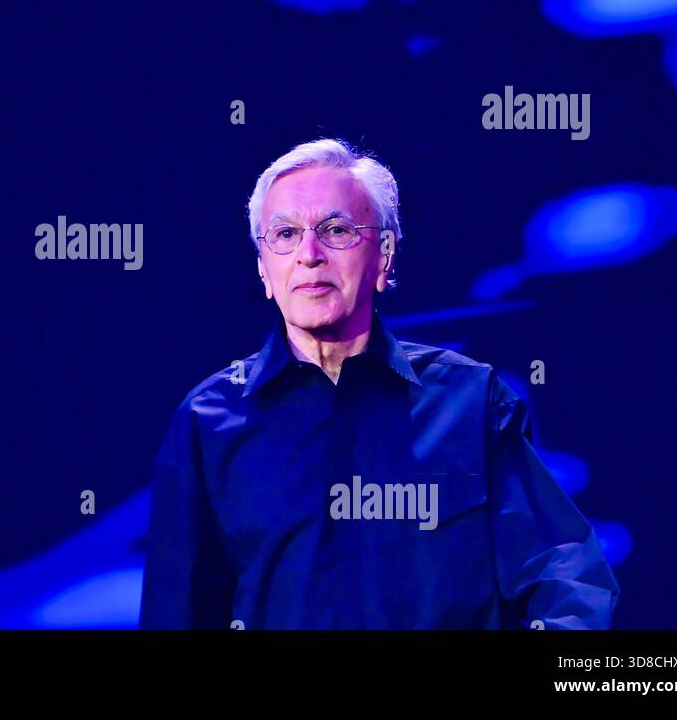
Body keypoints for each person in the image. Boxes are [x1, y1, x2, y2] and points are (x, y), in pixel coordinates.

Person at [139, 138, 620, 629]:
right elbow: (176, 614)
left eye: (336, 230)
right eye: (284, 234)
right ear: (264, 269)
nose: (309, 254)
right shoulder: (209, 420)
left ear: (384, 256)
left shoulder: (471, 402)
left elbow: (565, 575)